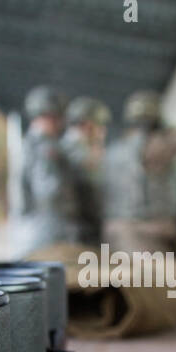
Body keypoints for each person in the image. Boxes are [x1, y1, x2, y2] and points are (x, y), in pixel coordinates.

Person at [102, 80, 176, 255]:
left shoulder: (115, 149)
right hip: (149, 235)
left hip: (117, 235)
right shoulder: (158, 144)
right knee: (160, 280)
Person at [18, 85, 79, 252]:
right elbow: (50, 191)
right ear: (52, 116)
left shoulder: (30, 142)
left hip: (37, 226)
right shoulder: (45, 147)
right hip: (49, 229)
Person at [60, 96, 112, 247]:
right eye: (100, 126)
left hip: (81, 226)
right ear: (88, 125)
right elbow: (94, 181)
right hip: (79, 229)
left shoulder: (70, 146)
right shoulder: (76, 150)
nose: (103, 132)